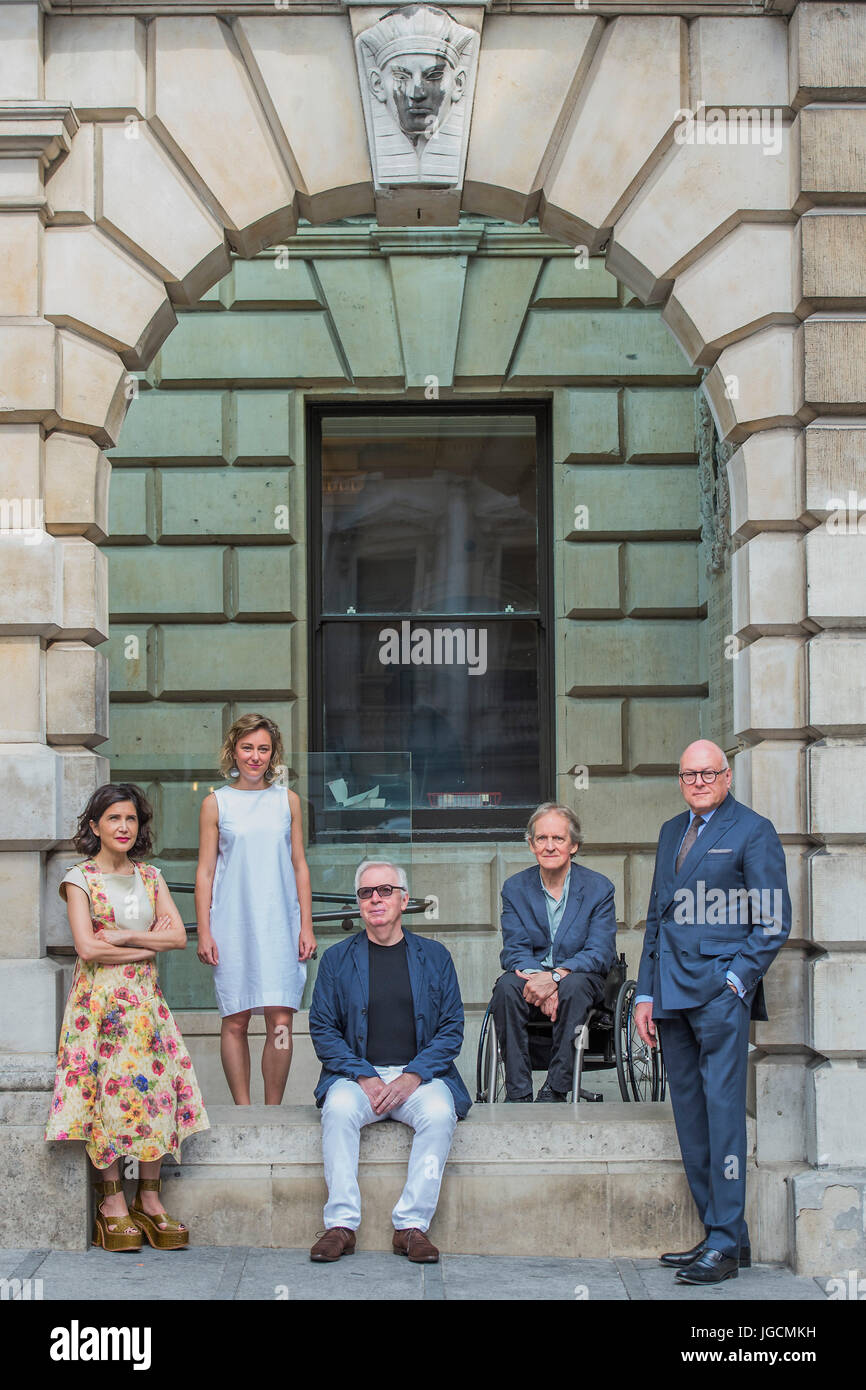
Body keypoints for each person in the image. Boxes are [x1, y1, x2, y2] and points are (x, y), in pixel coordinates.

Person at [634, 740, 791, 1284]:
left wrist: (735, 981)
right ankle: (724, 1235)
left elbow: (772, 921)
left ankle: (724, 1245)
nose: (698, 782)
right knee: (691, 1117)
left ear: (727, 776)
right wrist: (644, 994)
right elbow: (656, 917)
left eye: (708, 773)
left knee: (723, 1117)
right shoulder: (670, 831)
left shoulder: (753, 830)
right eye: (688, 775)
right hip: (671, 995)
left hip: (720, 996)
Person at [45, 783, 209, 1252]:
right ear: (94, 826)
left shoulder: (151, 876)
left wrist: (116, 936)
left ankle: (150, 1200)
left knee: (154, 1094)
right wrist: (138, 942)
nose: (123, 826)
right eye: (113, 818)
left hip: (145, 1005)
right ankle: (112, 1202)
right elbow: (87, 947)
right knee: (107, 1099)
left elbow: (177, 938)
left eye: (131, 819)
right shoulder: (79, 878)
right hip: (98, 1008)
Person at [308, 859, 471, 1264]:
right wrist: (364, 1076)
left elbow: (452, 1028)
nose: (375, 899)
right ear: (359, 903)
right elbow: (323, 1030)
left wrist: (414, 1075)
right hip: (357, 1076)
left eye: (384, 891)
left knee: (439, 1112)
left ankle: (411, 1227)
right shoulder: (336, 959)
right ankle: (341, 1225)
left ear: (404, 899)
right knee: (339, 1109)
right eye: (366, 893)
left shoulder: (434, 956)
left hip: (419, 1077)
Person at [195, 713, 316, 1105]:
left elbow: (299, 864)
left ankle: (273, 1111)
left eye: (263, 749)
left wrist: (307, 926)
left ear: (273, 753)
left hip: (281, 923)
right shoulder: (216, 803)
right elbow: (206, 871)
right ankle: (244, 1111)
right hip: (231, 924)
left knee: (281, 1020)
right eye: (247, 748)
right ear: (233, 750)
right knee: (236, 1017)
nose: (255, 756)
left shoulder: (288, 801)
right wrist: (205, 930)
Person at [492, 802, 617, 1101]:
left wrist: (558, 977)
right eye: (541, 839)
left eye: (558, 839)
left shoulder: (599, 888)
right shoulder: (515, 888)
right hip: (532, 978)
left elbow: (600, 951)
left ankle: (557, 1086)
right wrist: (543, 982)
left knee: (573, 986)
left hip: (580, 978)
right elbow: (514, 949)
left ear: (573, 845)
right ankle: (518, 1092)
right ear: (531, 844)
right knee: (506, 988)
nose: (549, 846)